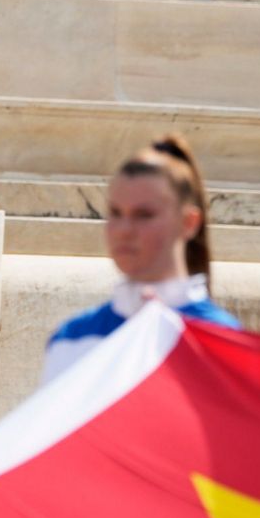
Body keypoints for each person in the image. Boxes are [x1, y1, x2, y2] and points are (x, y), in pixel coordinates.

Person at [42, 134, 239, 384]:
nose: (124, 229)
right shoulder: (70, 338)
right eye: (116, 212)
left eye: (144, 215)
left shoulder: (222, 339)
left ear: (189, 223)